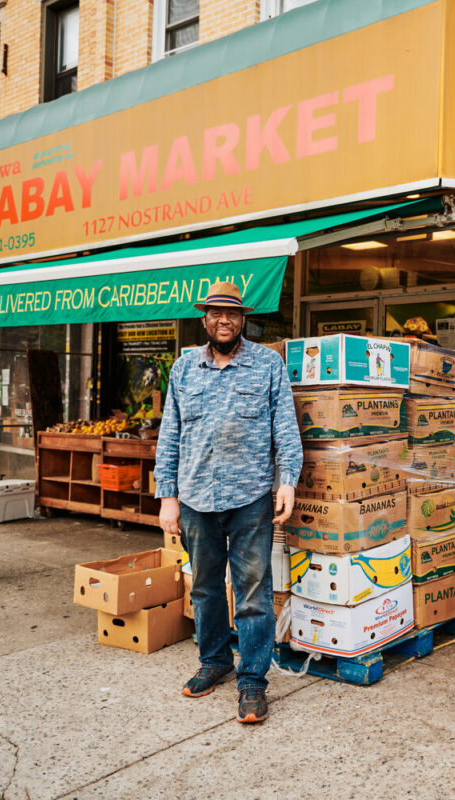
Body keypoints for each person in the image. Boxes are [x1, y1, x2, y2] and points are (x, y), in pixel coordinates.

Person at [155, 281, 302, 725]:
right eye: (216, 313)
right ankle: (215, 660)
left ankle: (253, 681)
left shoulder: (268, 364)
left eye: (232, 314)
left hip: (251, 496)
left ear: (243, 319)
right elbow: (170, 435)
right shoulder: (184, 369)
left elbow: (286, 429)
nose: (224, 321)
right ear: (205, 319)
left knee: (253, 591)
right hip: (196, 496)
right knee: (203, 586)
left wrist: (288, 481)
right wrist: (168, 497)